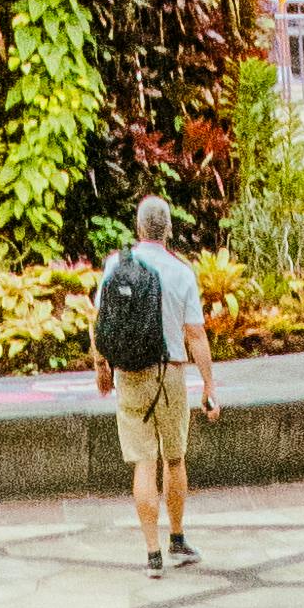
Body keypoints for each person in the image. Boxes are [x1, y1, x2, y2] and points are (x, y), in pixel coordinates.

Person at [88, 181, 216, 573]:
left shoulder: (115, 266)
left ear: (138, 228)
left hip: (129, 375)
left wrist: (102, 367)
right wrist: (209, 386)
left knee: (143, 463)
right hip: (170, 374)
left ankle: (152, 553)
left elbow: (98, 324)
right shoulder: (181, 271)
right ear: (169, 231)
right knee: (173, 460)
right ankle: (177, 539)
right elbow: (196, 334)